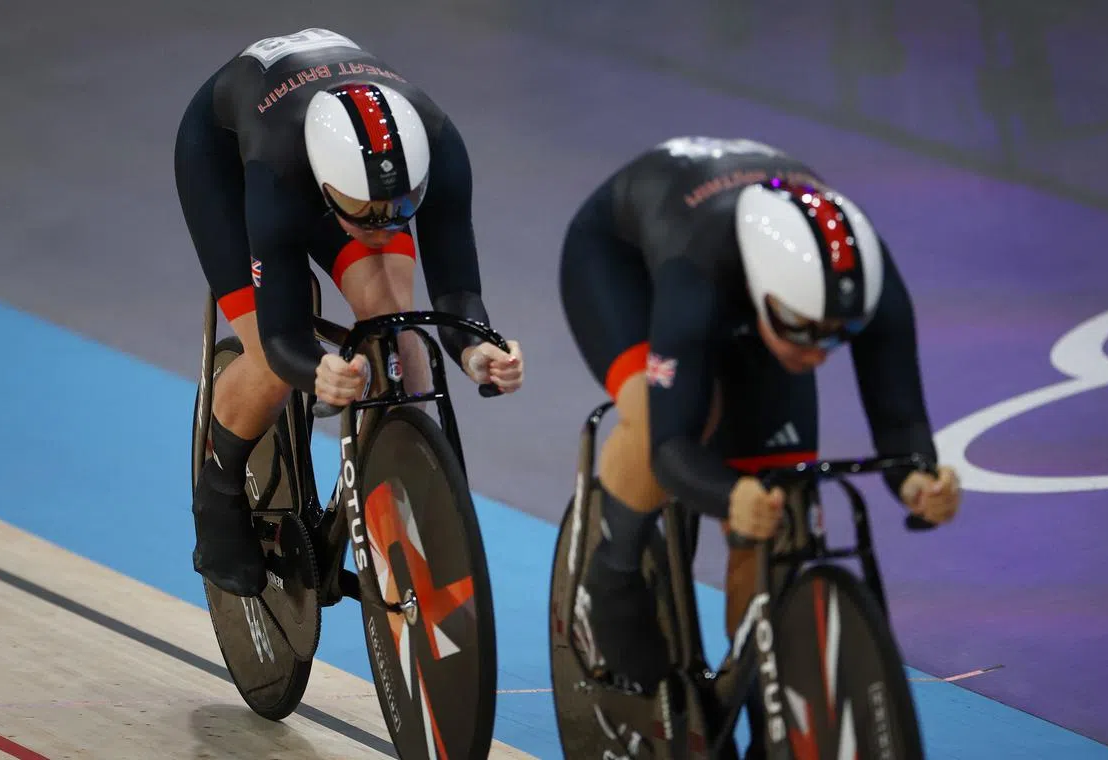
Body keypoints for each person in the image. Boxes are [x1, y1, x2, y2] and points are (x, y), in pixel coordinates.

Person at [558, 136, 961, 702]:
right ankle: (613, 571)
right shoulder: (698, 274)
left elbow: (899, 412)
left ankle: (757, 700)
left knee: (781, 514)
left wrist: (916, 477)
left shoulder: (869, 278)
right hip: (626, 263)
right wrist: (726, 495)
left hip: (740, 284)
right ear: (766, 294)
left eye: (837, 335)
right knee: (660, 413)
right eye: (802, 330)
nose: (818, 355)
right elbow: (672, 446)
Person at [174, 28, 524, 598]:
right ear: (329, 188)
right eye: (365, 213)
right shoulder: (278, 172)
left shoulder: (438, 144)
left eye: (400, 210)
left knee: (397, 321)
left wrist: (476, 348)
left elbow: (458, 292)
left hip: (350, 166)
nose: (382, 225)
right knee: (269, 359)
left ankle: (401, 491)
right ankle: (218, 491)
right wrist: (315, 368)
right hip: (229, 158)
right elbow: (287, 332)